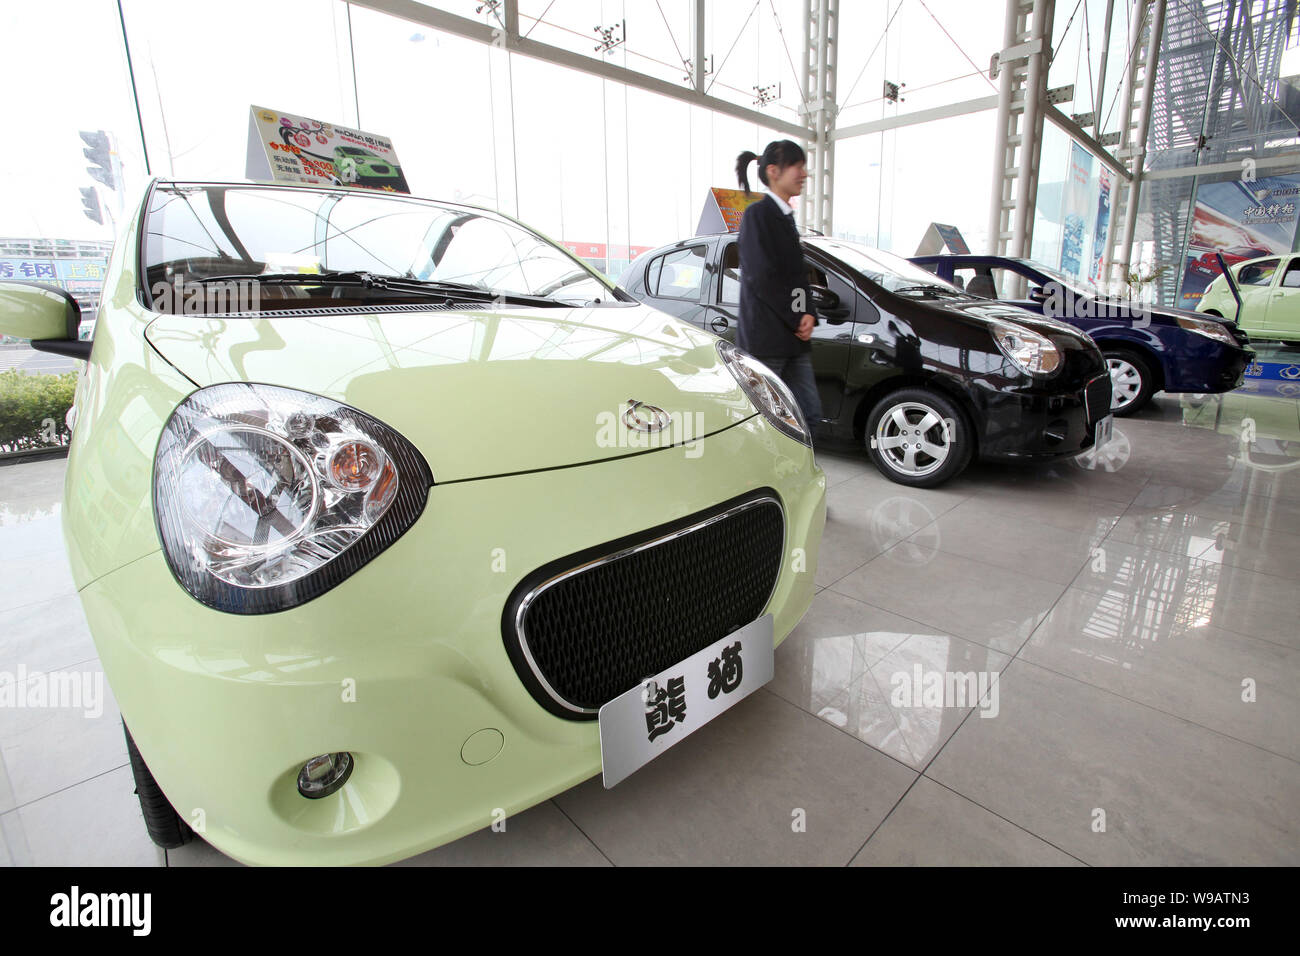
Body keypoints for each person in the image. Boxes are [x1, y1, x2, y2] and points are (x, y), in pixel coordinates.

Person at [734, 140, 822, 432]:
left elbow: (797, 275)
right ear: (773, 171)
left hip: (793, 339)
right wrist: (797, 315)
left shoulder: (786, 218)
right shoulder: (758, 215)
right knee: (766, 421)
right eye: (797, 166)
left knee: (807, 414)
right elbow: (762, 276)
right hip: (766, 338)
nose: (803, 174)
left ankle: (796, 474)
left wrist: (808, 311)